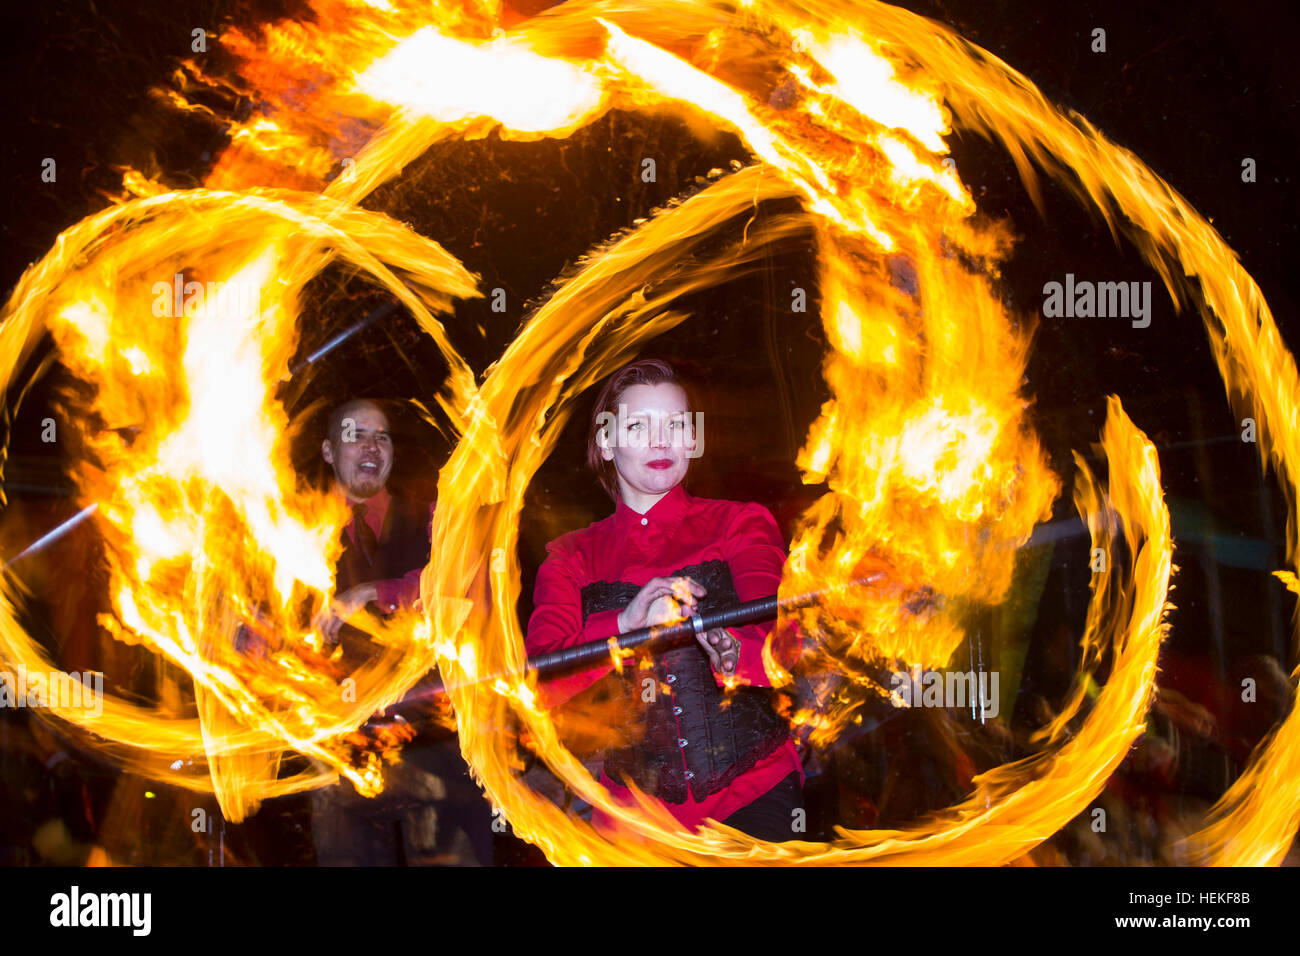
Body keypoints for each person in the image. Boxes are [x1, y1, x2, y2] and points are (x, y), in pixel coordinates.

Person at [525, 359, 805, 841]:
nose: (662, 441)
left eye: (676, 425)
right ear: (606, 442)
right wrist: (626, 625)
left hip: (752, 795)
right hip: (633, 817)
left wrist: (733, 651)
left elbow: (788, 642)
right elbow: (541, 681)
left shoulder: (741, 523)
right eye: (639, 426)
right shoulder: (570, 556)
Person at [309, 397, 493, 865]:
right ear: (329, 451)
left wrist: (377, 591)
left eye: (382, 435)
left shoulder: (432, 516)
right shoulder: (293, 531)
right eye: (356, 435)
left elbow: (462, 593)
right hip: (340, 750)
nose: (372, 445)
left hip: (436, 742)